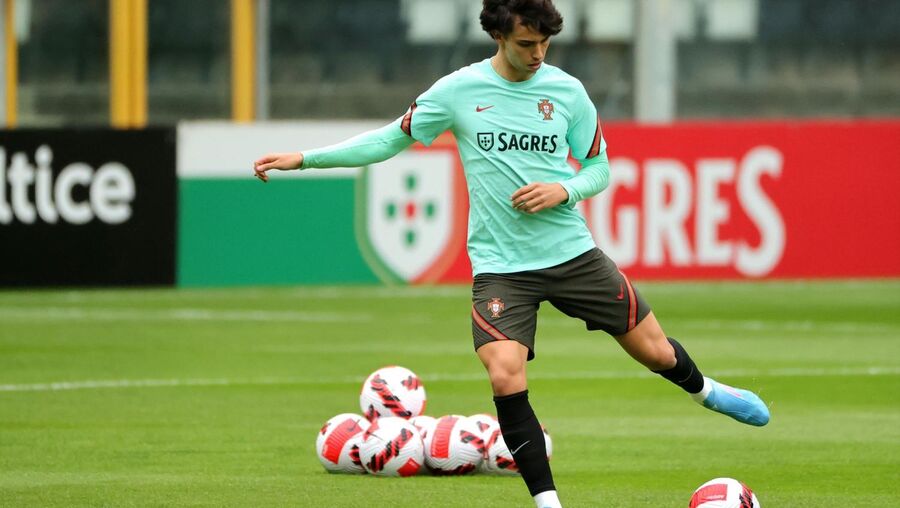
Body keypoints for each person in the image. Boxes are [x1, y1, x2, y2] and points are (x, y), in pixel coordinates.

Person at [253, 1, 770, 506]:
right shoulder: (458, 91)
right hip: (502, 269)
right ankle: (547, 502)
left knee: (654, 351)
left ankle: (707, 392)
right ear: (499, 35)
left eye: (545, 42)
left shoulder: (568, 93)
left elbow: (599, 167)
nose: (539, 52)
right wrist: (304, 159)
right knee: (505, 372)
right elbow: (388, 141)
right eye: (527, 43)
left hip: (573, 255)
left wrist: (563, 190)